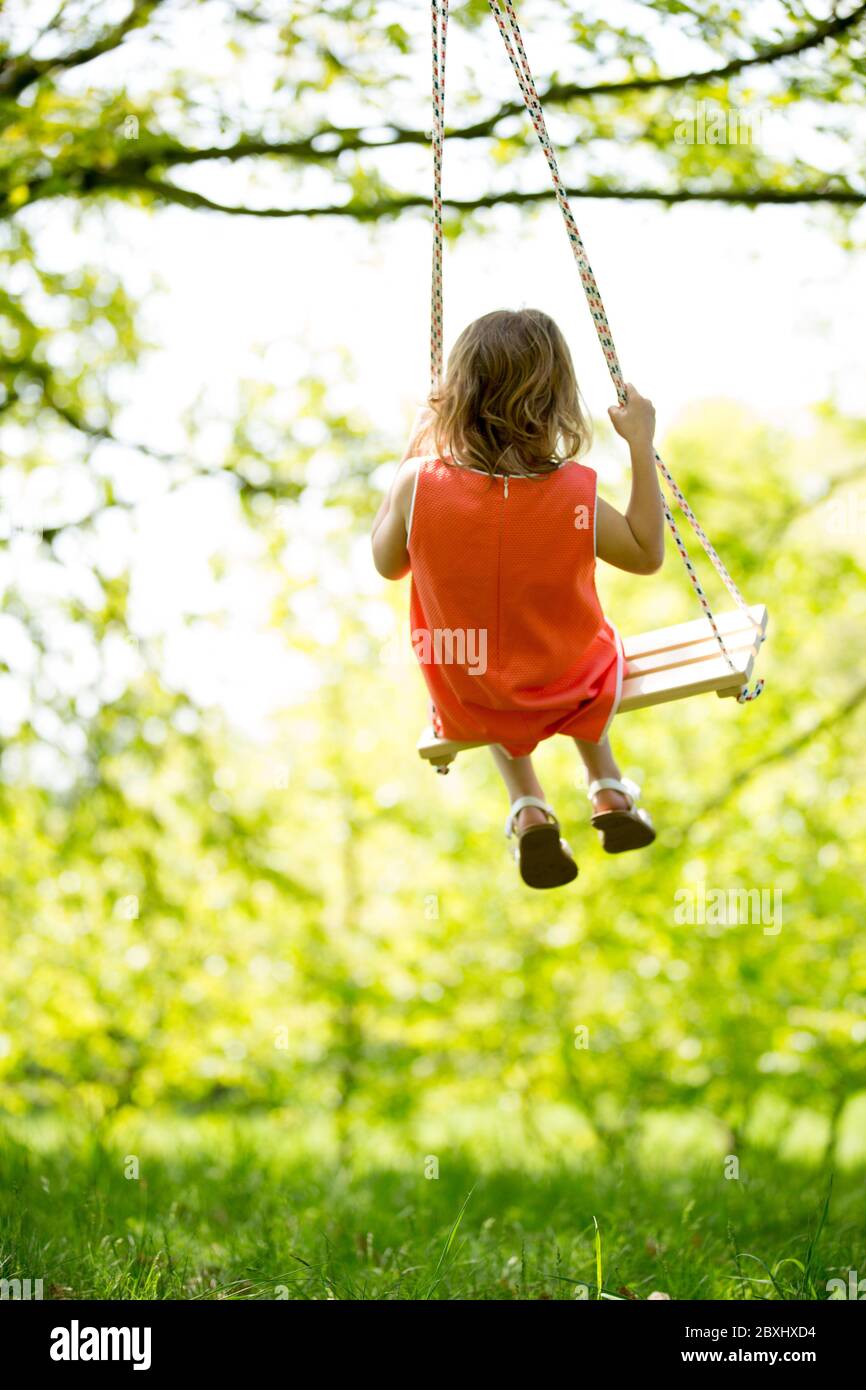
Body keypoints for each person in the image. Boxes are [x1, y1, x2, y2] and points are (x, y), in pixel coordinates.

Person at [371, 308, 664, 889]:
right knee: (581, 649)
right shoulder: (572, 493)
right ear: (555, 399)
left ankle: (528, 804)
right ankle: (606, 786)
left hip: (468, 695)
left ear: (458, 397)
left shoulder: (419, 485)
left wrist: (412, 451)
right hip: (570, 682)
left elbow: (386, 563)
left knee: (482, 660)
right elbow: (645, 554)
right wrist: (640, 445)